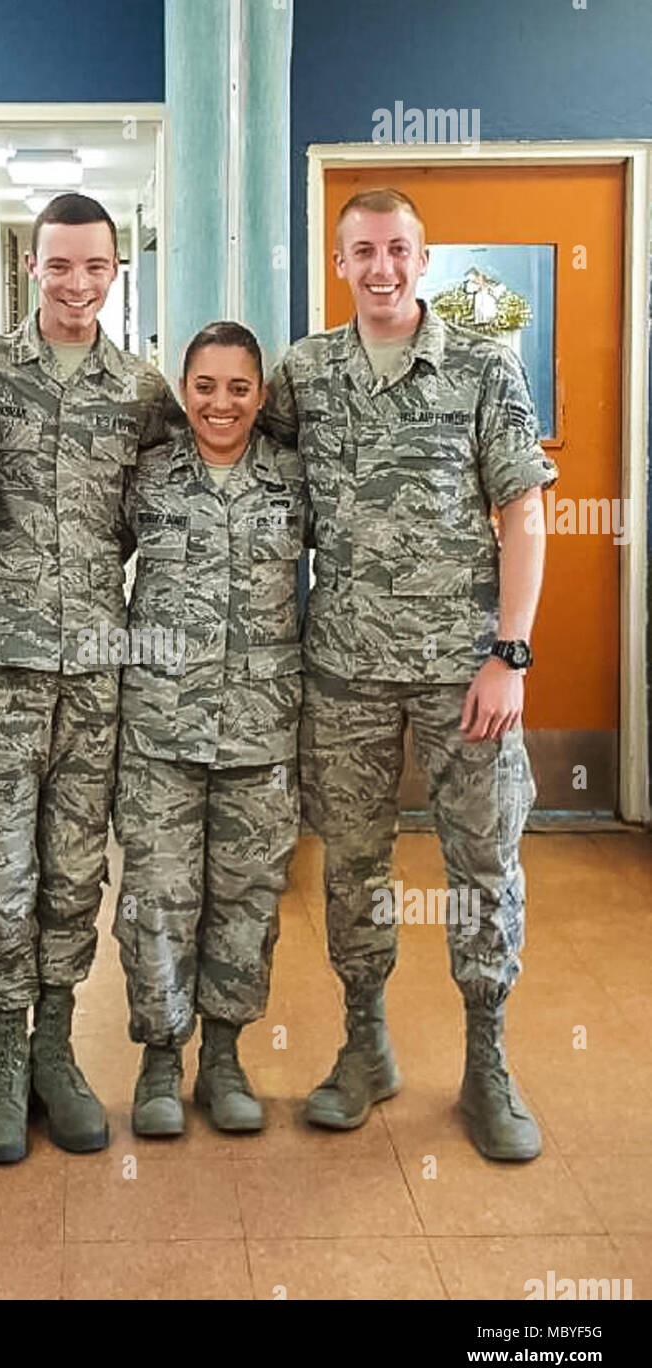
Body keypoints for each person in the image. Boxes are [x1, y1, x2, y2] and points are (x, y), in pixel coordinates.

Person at [262, 187, 558, 1161]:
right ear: (338, 262)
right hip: (342, 672)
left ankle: (487, 1064)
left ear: (421, 260)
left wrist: (509, 653)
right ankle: (364, 1046)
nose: (380, 267)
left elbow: (523, 514)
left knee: (481, 868)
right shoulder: (305, 373)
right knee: (351, 868)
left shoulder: (480, 366)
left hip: (462, 675)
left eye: (397, 249)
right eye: (362, 251)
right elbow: (251, 487)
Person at [0, 193, 183, 1163]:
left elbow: (181, 501)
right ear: (31, 268)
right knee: (2, 877)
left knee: (74, 874)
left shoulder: (141, 388)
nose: (78, 284)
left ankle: (57, 1045)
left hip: (97, 671)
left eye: (95, 267)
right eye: (60, 265)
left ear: (115, 270)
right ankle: (4, 1054)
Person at [114, 321, 305, 1136]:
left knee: (247, 901)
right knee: (157, 900)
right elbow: (92, 563)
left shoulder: (297, 481)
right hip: (159, 729)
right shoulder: (147, 477)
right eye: (204, 386)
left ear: (261, 397)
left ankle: (224, 1057)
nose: (219, 403)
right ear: (181, 391)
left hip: (263, 732)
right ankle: (161, 1059)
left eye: (238, 388)